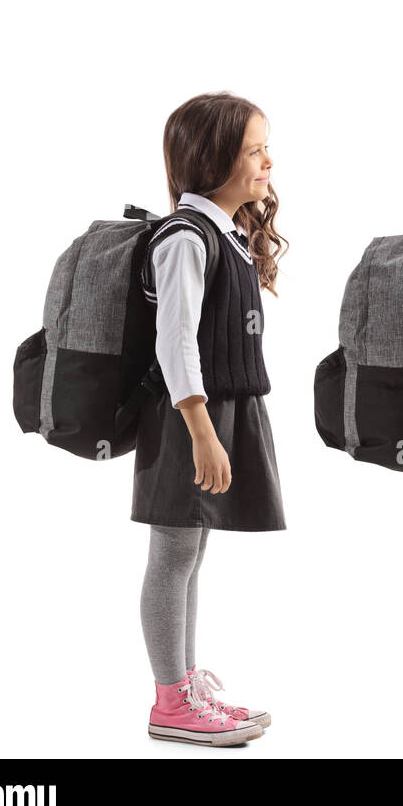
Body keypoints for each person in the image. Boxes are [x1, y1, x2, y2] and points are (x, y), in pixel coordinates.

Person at [132, 92, 288, 746]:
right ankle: (171, 700)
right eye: (254, 150)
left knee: (190, 553)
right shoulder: (185, 238)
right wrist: (200, 429)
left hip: (219, 409)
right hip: (187, 415)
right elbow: (176, 342)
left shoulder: (223, 233)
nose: (268, 162)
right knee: (173, 553)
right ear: (215, 157)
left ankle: (184, 686)